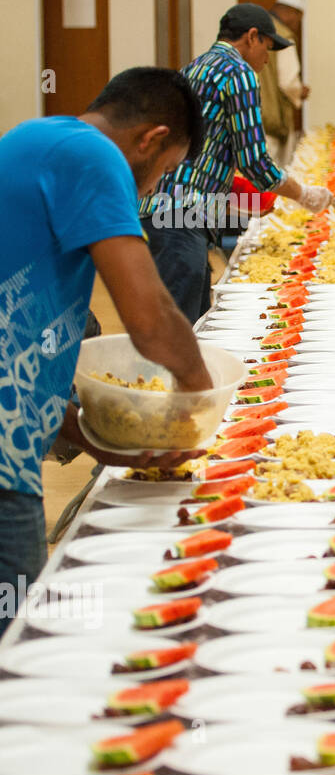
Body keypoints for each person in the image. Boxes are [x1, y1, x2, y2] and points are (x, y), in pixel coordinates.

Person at [0, 67, 215, 637]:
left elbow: (23, 349)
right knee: (23, 644)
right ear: (149, 138)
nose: (151, 191)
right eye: (164, 170)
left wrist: (98, 440)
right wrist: (198, 394)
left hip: (14, 427)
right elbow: (149, 319)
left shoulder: (39, 138)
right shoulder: (95, 158)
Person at [140, 3, 333, 323]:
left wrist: (241, 196)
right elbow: (254, 160)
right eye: (268, 49)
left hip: (165, 209)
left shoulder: (196, 66)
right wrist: (303, 194)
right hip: (183, 214)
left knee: (190, 319)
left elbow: (209, 151)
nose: (267, 59)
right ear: (252, 37)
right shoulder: (239, 73)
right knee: (179, 329)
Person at [259, 0, 311, 167]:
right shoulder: (282, 36)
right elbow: (288, 81)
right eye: (298, 18)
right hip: (271, 120)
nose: (297, 25)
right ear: (291, 13)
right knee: (272, 173)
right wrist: (299, 91)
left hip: (251, 115)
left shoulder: (257, 31)